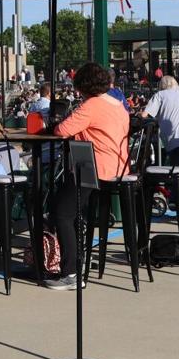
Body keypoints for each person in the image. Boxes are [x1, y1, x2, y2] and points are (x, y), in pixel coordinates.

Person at [49, 62, 130, 290]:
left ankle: (71, 273)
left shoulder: (91, 105)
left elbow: (61, 130)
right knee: (74, 211)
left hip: (94, 168)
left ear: (83, 86)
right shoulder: (117, 104)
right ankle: (78, 262)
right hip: (118, 167)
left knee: (62, 213)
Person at [142, 75, 179, 161]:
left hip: (172, 137)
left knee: (176, 165)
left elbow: (144, 115)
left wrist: (138, 113)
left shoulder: (160, 95)